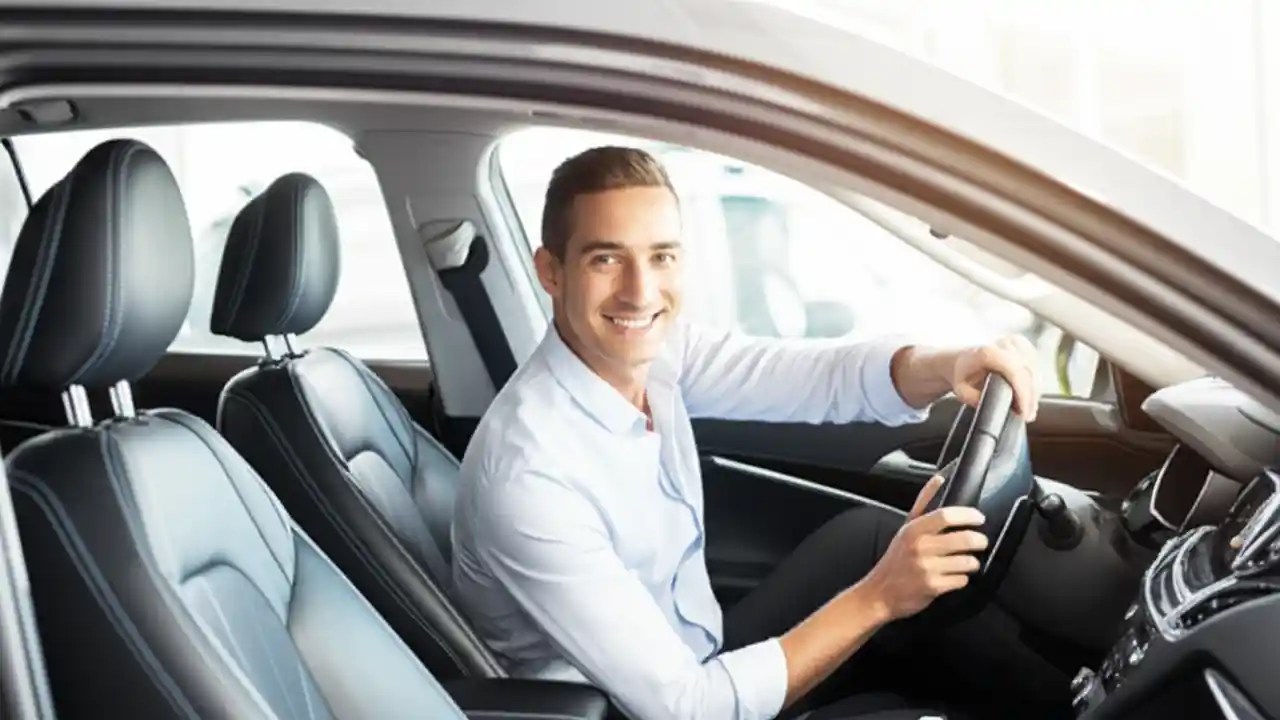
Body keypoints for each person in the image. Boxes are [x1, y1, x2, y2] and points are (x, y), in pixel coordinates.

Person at [451, 147, 1070, 719]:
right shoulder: (529, 474)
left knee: (873, 539)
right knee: (893, 594)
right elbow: (686, 708)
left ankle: (1078, 701)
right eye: (607, 259)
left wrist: (945, 365)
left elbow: (819, 377)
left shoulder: (657, 355)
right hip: (642, 709)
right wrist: (880, 597)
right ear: (550, 271)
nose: (640, 291)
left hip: (700, 648)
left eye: (661, 256)